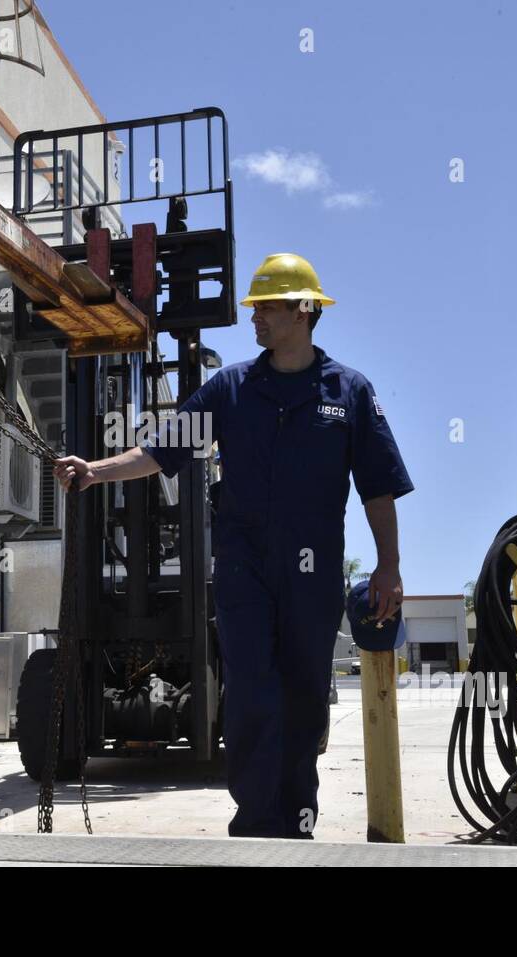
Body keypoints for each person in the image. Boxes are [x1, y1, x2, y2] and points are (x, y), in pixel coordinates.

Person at [53, 252, 413, 838]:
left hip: (313, 572)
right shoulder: (232, 388)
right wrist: (94, 470)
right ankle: (254, 825)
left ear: (304, 310)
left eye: (266, 306)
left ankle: (297, 822)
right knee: (250, 692)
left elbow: (379, 488)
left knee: (301, 697)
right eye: (254, 308)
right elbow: (160, 450)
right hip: (244, 569)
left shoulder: (348, 392)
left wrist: (389, 568)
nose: (255, 319)